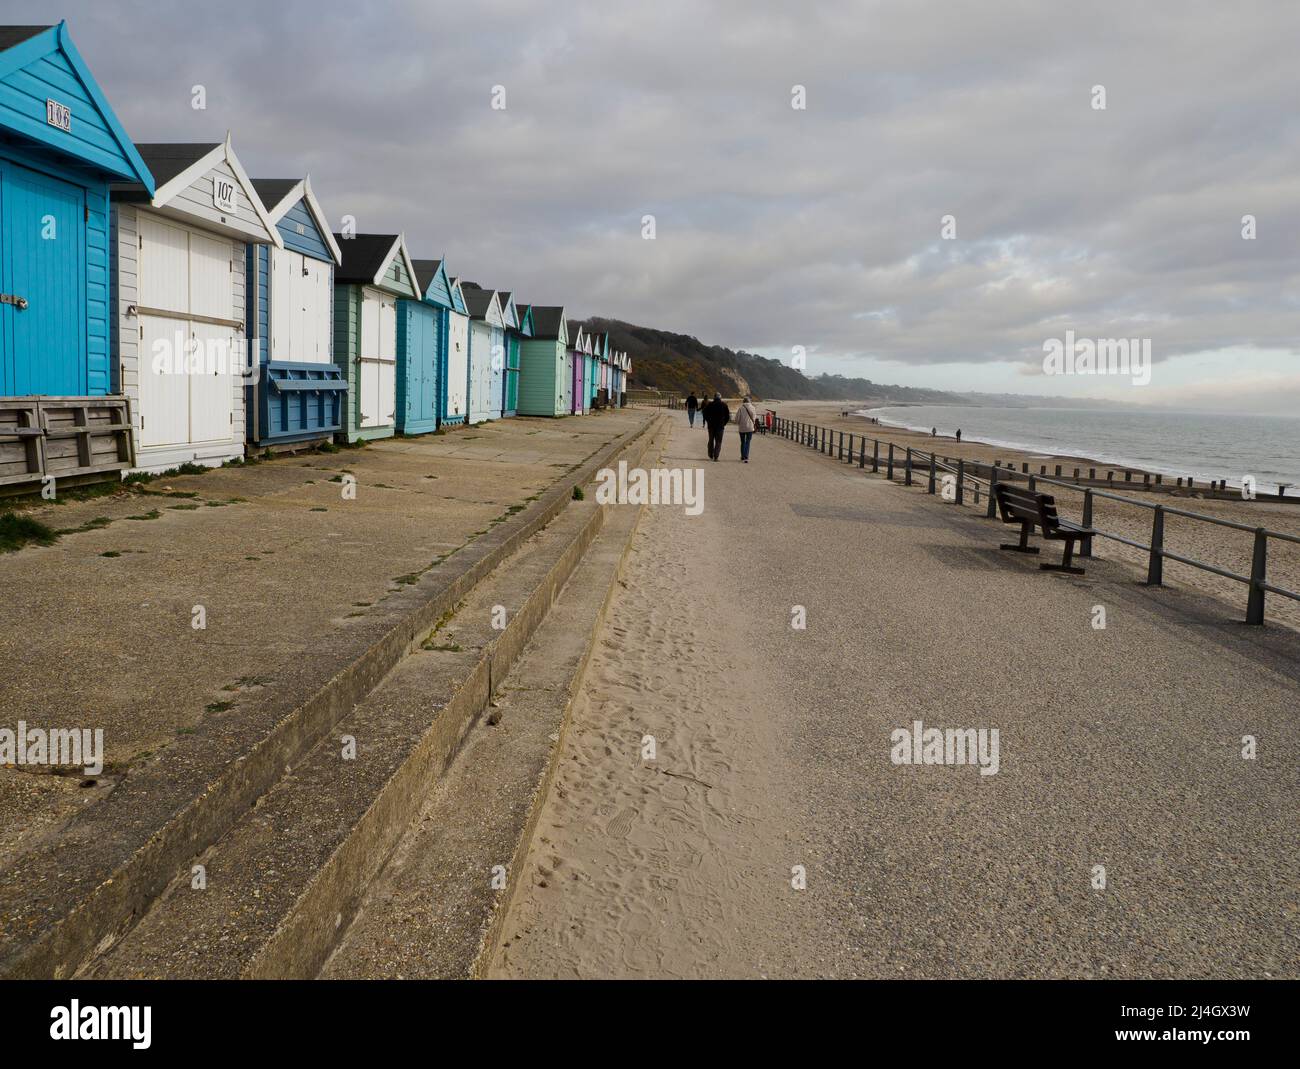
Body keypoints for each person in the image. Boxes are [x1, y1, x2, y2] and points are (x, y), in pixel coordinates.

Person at [702, 392, 730, 461]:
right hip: (720, 427)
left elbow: (704, 413)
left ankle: (710, 455)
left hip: (711, 426)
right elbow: (727, 416)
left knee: (711, 440)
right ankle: (716, 456)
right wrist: (724, 423)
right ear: (720, 397)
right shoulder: (724, 405)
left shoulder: (710, 404)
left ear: (714, 397)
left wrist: (708, 420)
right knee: (718, 441)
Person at [734, 396, 758, 463]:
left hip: (742, 428)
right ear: (749, 401)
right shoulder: (753, 408)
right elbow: (754, 417)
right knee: (748, 442)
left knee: (742, 442)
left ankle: (742, 456)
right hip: (750, 428)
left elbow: (737, 419)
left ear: (743, 401)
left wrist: (738, 423)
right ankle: (746, 457)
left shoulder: (741, 408)